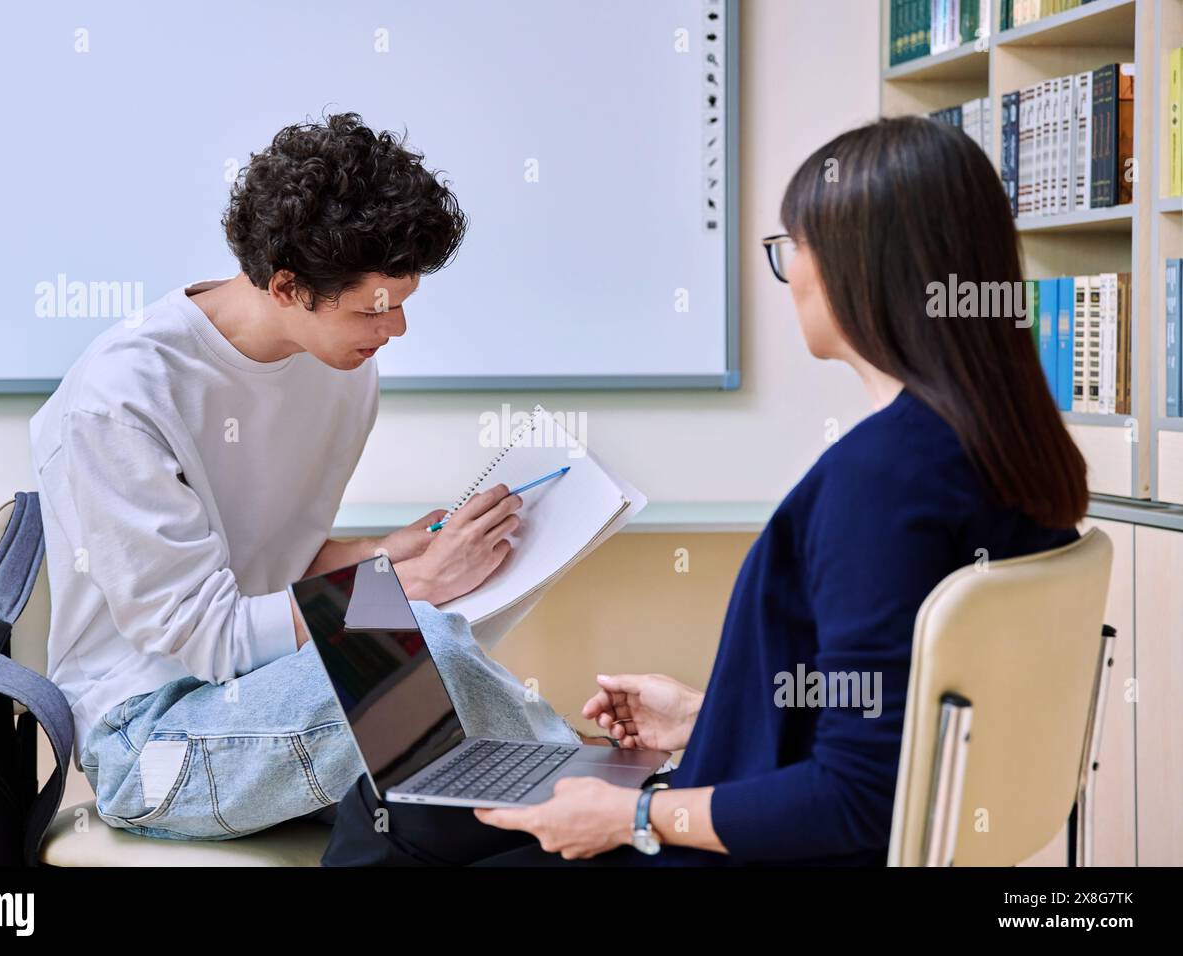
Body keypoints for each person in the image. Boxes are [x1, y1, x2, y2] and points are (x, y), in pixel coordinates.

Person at [319, 115, 1089, 866]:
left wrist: (634, 815)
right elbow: (890, 716)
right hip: (753, 813)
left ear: (861, 269)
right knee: (420, 806)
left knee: (385, 815)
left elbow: (861, 795)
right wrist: (713, 716)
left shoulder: (883, 484)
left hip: (737, 846)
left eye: (797, 248)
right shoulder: (1009, 455)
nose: (793, 275)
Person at [29, 114, 554, 840]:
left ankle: (600, 802)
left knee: (452, 788)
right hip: (154, 736)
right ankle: (608, 795)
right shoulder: (120, 401)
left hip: (274, 692)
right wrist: (409, 588)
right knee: (425, 643)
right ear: (285, 286)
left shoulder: (344, 370)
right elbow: (213, 636)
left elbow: (277, 565)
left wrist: (390, 553)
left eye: (403, 303)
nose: (395, 330)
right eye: (377, 307)